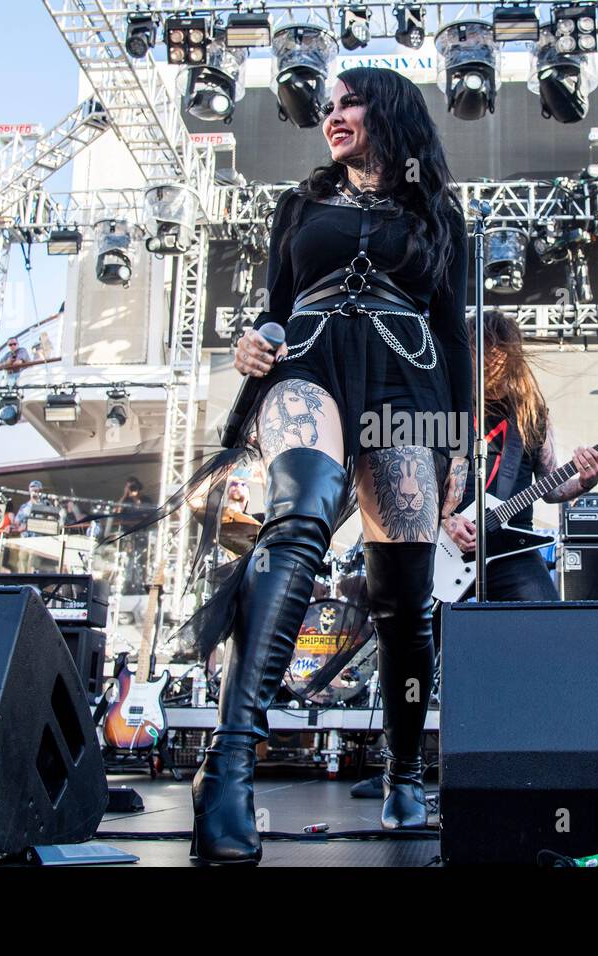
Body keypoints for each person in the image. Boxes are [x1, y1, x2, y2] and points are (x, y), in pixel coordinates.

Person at [182, 68, 471, 865]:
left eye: (350, 101)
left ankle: (404, 768)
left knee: (403, 599)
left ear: (389, 110)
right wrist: (251, 339)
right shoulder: (300, 205)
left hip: (406, 382)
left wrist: (455, 451)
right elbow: (277, 303)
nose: (332, 115)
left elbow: (456, 340)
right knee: (299, 515)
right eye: (329, 105)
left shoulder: (440, 213)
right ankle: (230, 763)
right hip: (306, 363)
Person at [441, 310, 598, 600]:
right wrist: (446, 521)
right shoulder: (446, 407)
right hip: (445, 546)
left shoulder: (531, 414)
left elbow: (550, 489)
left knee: (545, 625)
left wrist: (584, 481)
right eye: (483, 349)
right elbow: (416, 480)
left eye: (498, 350)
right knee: (430, 639)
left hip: (512, 547)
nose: (491, 359)